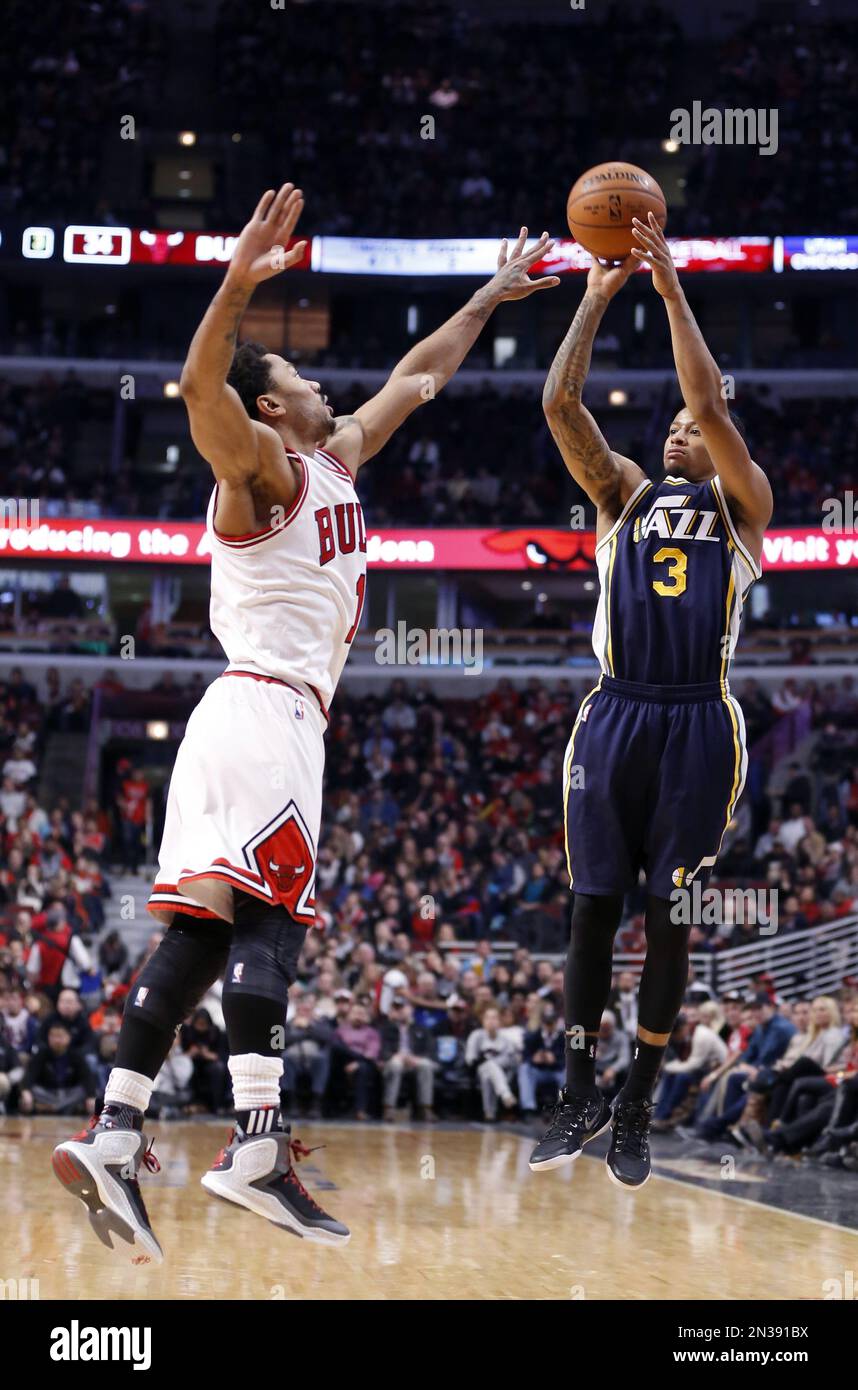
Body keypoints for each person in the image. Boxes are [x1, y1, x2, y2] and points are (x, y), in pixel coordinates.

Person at [53, 185, 557, 1258]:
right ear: (272, 408)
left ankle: (114, 1128)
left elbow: (419, 377)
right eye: (299, 375)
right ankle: (258, 1147)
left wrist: (494, 294)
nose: (325, 379)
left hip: (249, 722)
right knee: (275, 923)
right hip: (265, 713)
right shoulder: (264, 470)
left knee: (201, 932)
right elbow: (199, 384)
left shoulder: (336, 459)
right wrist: (238, 277)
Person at [530, 212, 773, 1189]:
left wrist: (673, 293)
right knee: (593, 909)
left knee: (670, 917)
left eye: (692, 425)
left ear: (719, 443)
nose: (678, 427)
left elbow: (710, 398)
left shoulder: (741, 506)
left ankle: (639, 1097)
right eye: (667, 421)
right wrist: (593, 300)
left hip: (697, 721)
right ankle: (580, 1084)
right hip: (616, 710)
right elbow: (560, 404)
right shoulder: (624, 492)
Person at [465, 1004, 519, 1120]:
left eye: (494, 1018)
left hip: (502, 1073)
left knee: (489, 1073)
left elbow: (510, 1060)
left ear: (499, 1021)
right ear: (483, 1021)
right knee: (488, 1067)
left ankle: (489, 1113)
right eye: (488, 1018)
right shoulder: (476, 1036)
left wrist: (493, 1063)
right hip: (477, 1073)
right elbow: (470, 1059)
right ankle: (505, 1095)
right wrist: (485, 1062)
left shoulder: (505, 1039)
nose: (491, 1021)